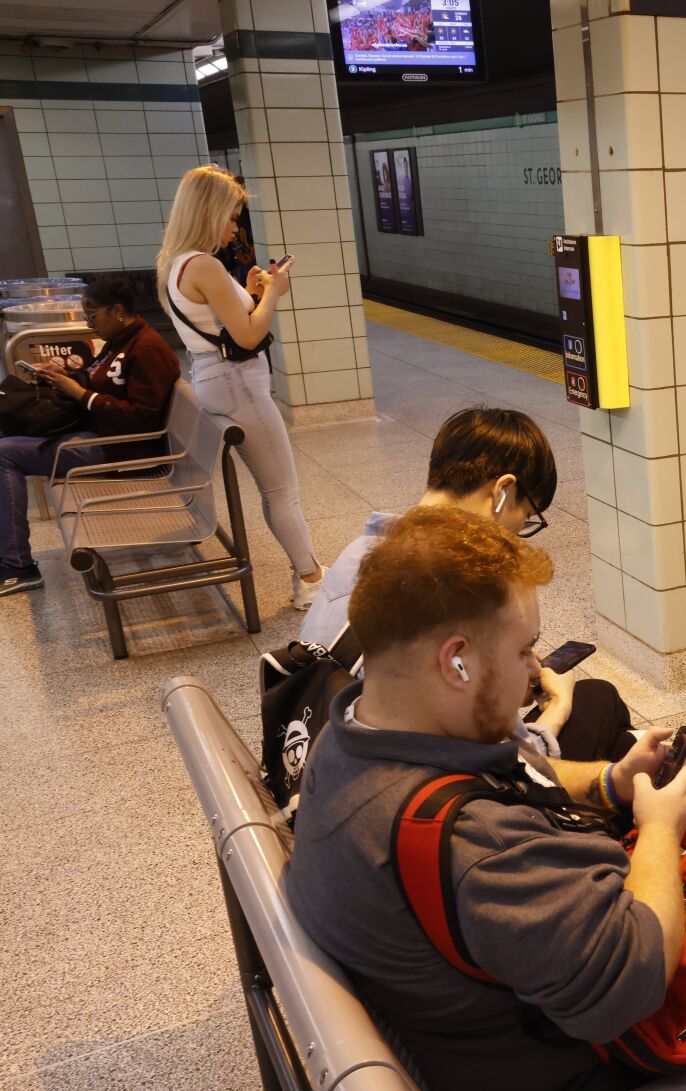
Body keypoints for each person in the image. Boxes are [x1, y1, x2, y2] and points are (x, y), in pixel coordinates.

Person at [286, 506, 686, 1091]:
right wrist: (661, 829)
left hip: (454, 1037)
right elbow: (634, 975)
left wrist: (614, 781)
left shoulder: (351, 737)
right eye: (524, 648)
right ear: (457, 664)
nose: (536, 669)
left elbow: (511, 771)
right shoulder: (478, 845)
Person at [302, 405, 634, 764]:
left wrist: (499, 668)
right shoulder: (448, 581)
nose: (518, 536)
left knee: (601, 710)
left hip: (330, 755)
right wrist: (557, 710)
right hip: (419, 775)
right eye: (525, 518)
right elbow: (495, 762)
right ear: (503, 491)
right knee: (596, 700)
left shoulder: (365, 550)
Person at [157, 164, 326, 610]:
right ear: (208, 212)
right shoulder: (206, 265)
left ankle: (309, 573)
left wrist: (249, 293)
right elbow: (248, 337)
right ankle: (311, 581)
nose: (235, 228)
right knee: (281, 491)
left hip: (215, 378)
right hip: (238, 385)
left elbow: (221, 324)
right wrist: (274, 293)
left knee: (276, 489)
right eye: (231, 217)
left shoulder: (175, 264)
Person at [1, 275, 180, 597]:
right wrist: (66, 376)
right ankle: (14, 560)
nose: (89, 322)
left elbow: (142, 417)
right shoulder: (122, 342)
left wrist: (82, 394)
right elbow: (103, 382)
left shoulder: (147, 348)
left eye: (93, 315)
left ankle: (18, 566)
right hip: (104, 437)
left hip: (124, 452)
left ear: (117, 311)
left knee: (4, 454)